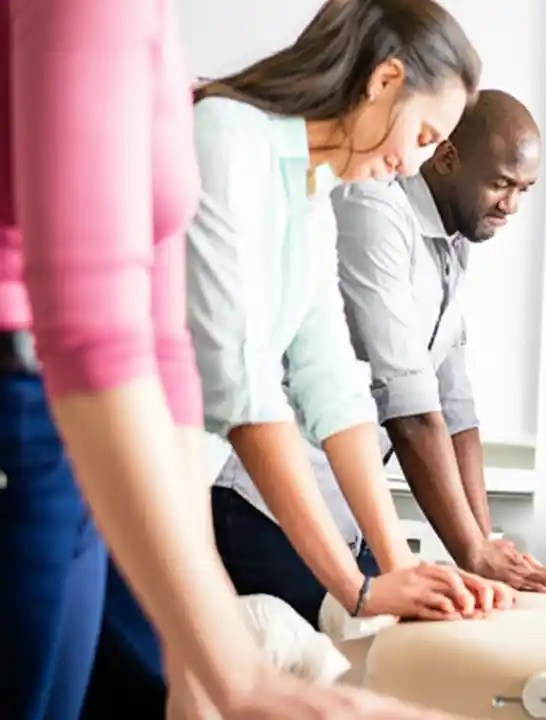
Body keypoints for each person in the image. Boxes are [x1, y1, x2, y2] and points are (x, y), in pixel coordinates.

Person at [1, 0, 446, 718]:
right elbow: (202, 373)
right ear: (386, 80)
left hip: (126, 452)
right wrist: (330, 604)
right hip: (49, 421)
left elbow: (282, 378)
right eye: (425, 134)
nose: (417, 162)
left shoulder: (308, 191)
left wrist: (389, 569)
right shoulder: (225, 130)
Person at [211, 88, 546, 616]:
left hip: (342, 512)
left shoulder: (454, 249)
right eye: (501, 184)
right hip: (262, 505)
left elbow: (454, 410)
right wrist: (469, 550)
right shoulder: (371, 207)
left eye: (525, 189)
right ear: (447, 156)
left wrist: (483, 545)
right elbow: (407, 406)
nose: (512, 205)